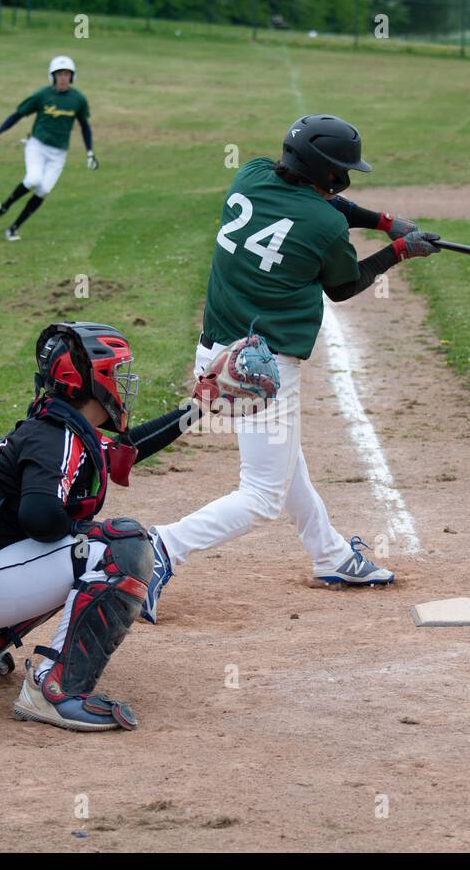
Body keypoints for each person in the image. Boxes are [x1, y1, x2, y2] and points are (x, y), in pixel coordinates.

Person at [140, 114, 442, 624]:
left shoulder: (252, 175)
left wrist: (385, 222)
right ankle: (159, 551)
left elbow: (325, 206)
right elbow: (343, 287)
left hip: (217, 354)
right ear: (331, 175)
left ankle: (332, 557)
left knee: (283, 468)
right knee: (261, 495)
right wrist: (397, 251)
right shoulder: (324, 227)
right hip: (263, 373)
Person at [0, 323, 202, 731]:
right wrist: (83, 530)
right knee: (120, 547)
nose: (124, 385)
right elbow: (39, 518)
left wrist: (197, 408)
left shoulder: (56, 428)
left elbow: (127, 451)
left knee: (84, 547)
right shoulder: (56, 438)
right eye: (117, 374)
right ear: (94, 380)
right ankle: (55, 691)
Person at [0, 55, 97, 242]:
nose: (63, 78)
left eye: (67, 74)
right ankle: (2, 208)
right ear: (53, 76)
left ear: (72, 76)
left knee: (43, 190)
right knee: (33, 179)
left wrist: (89, 152)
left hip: (59, 153)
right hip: (37, 146)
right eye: (59, 74)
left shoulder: (78, 100)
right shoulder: (42, 95)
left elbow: (85, 126)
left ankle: (13, 228)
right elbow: (18, 114)